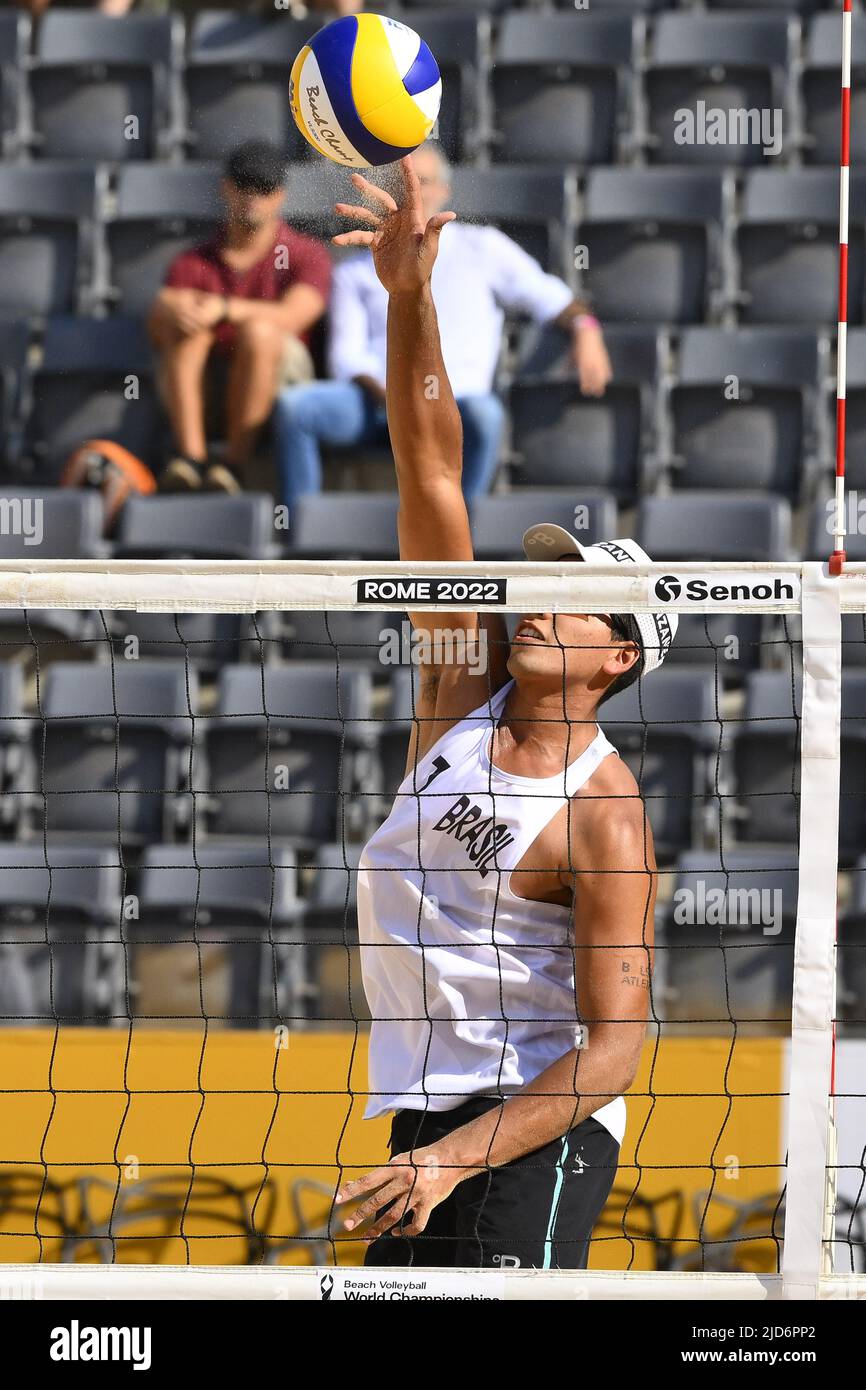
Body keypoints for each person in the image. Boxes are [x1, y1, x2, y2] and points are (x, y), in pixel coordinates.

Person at [330, 159, 676, 1271]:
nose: (540, 600)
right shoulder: (456, 693)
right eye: (544, 581)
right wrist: (408, 297)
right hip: (426, 1110)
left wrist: (458, 1158)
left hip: (536, 1129)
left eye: (576, 598)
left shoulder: (603, 813)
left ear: (617, 656)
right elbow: (430, 469)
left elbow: (614, 1049)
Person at [273, 141, 612, 509]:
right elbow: (347, 358)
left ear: (443, 191)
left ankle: (461, 542)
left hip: (457, 404)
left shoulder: (484, 248)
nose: (412, 193)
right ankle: (299, 534)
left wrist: (586, 328)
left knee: (486, 416)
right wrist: (396, 399)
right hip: (378, 405)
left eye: (422, 181)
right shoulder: (356, 269)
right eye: (403, 183)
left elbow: (552, 298)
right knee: (296, 409)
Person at [148, 140, 331, 493]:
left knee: (260, 333)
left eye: (264, 188)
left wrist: (225, 309)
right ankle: (191, 460)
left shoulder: (305, 254)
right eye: (245, 185)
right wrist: (166, 308)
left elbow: (294, 317)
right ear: (226, 188)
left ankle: (234, 465)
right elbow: (157, 332)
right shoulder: (194, 261)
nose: (253, 198)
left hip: (281, 389)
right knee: (186, 329)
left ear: (279, 195)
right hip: (212, 389)